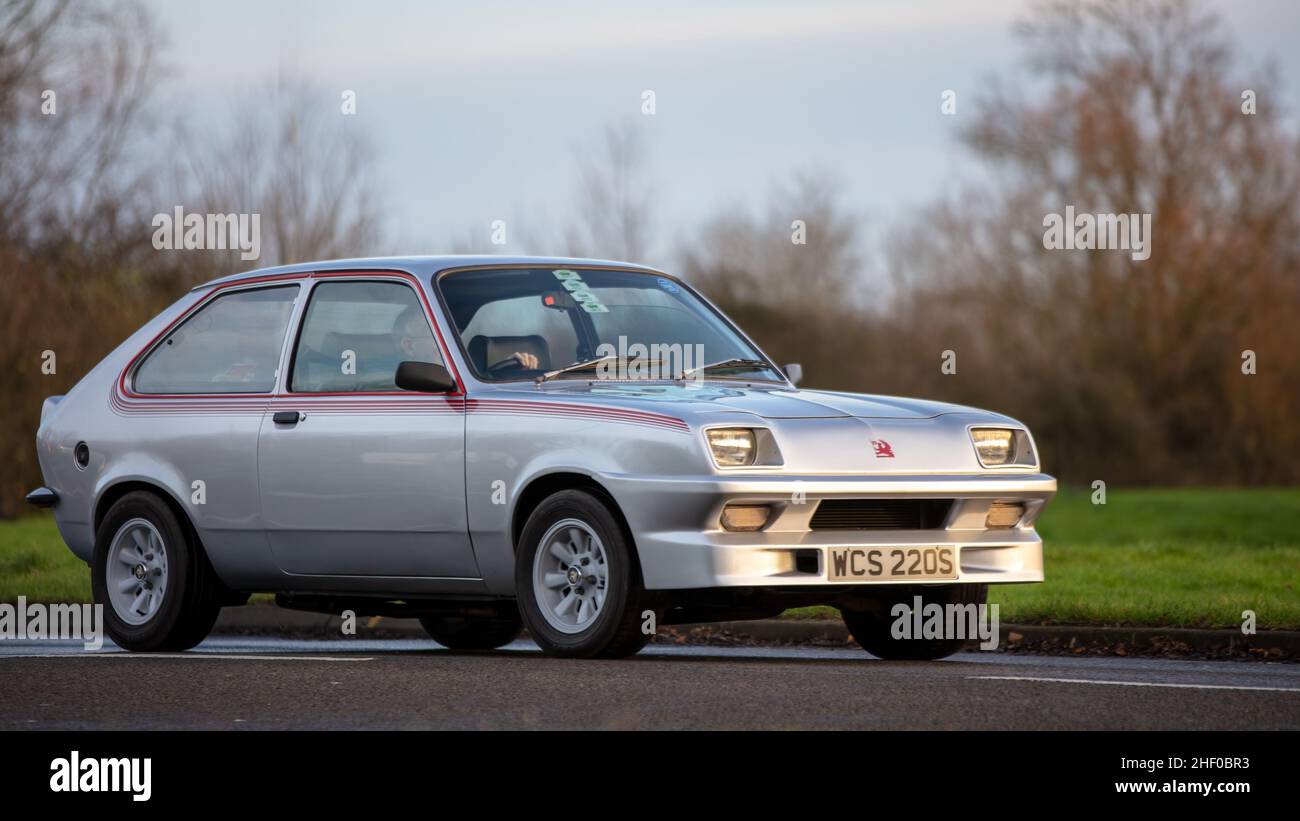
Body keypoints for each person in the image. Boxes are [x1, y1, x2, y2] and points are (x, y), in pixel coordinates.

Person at [393, 306, 538, 370]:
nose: (452, 344)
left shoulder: (466, 375)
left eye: (452, 334)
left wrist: (512, 368)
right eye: (437, 335)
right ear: (409, 346)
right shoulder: (385, 382)